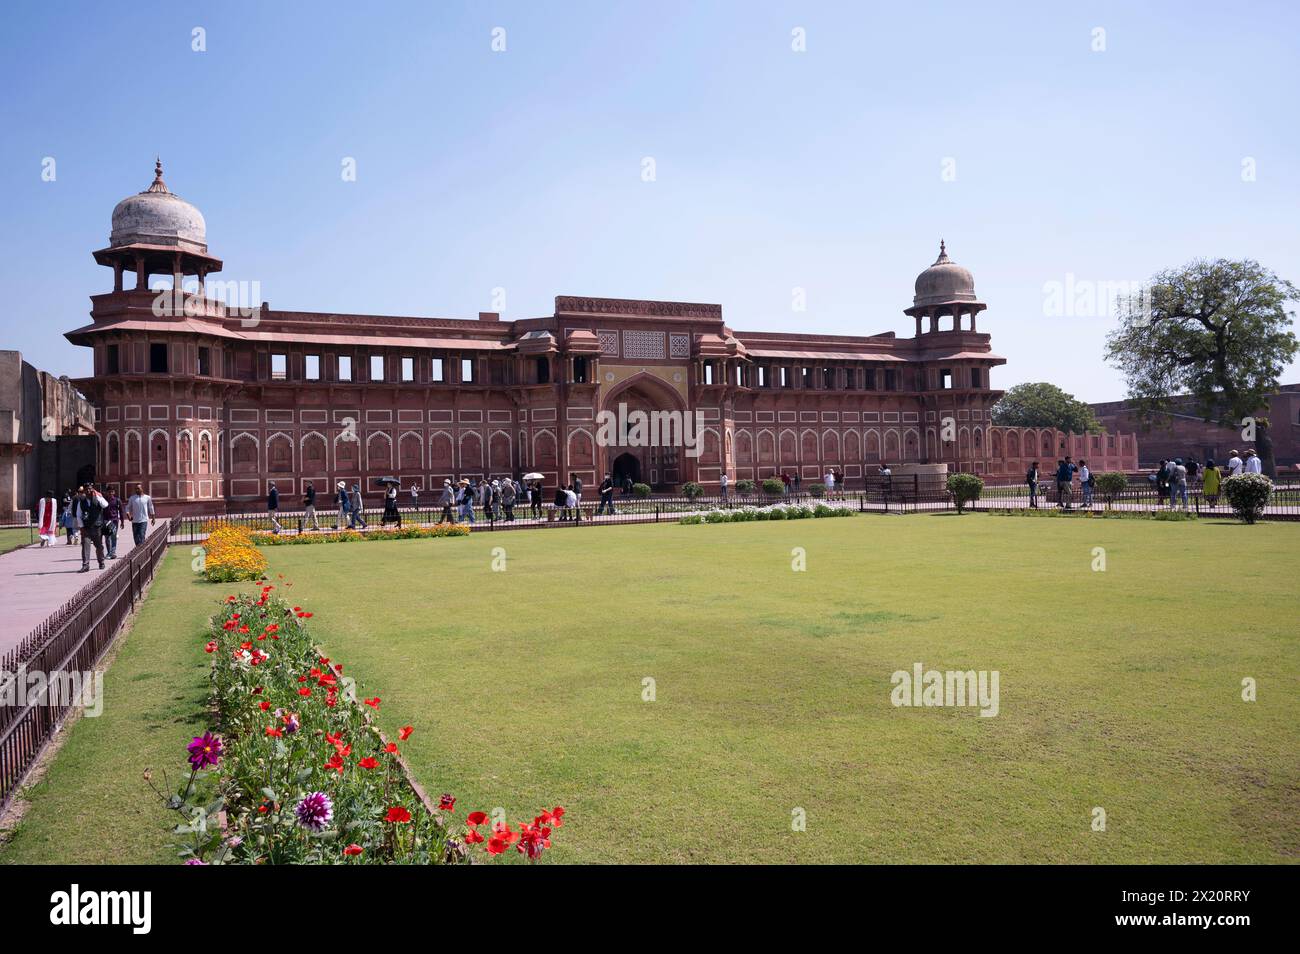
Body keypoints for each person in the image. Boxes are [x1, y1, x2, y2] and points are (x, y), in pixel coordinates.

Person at [77, 483, 108, 572]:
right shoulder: (81, 501)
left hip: (97, 527)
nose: (88, 491)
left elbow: (105, 505)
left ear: (93, 490)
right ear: (84, 492)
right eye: (86, 489)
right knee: (85, 546)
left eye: (90, 489)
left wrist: (97, 495)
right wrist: (81, 527)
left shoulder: (98, 498)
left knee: (99, 546)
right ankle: (85, 565)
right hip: (86, 528)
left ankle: (101, 562)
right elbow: (79, 515)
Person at [103, 487, 124, 558]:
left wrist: (122, 521)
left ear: (114, 492)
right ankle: (109, 552)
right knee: (107, 537)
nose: (110, 493)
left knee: (113, 537)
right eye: (109, 492)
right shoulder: (104, 501)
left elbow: (121, 511)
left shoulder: (117, 500)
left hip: (114, 521)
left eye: (112, 492)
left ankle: (113, 552)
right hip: (106, 521)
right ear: (106, 493)